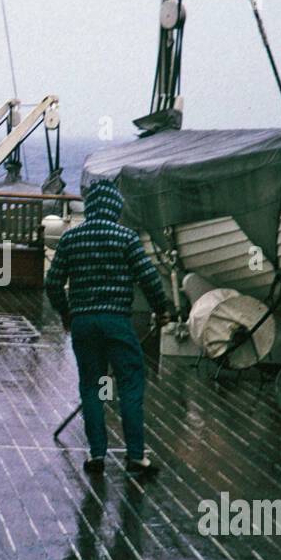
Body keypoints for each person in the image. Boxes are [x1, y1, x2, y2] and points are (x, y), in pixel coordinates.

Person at [45, 180, 172, 474]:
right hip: (117, 322)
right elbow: (149, 278)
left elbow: (53, 283)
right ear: (116, 207)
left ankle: (96, 455)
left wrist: (67, 313)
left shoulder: (71, 238)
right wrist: (161, 309)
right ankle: (136, 456)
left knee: (92, 386)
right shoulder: (125, 238)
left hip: (84, 323)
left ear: (89, 209)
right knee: (129, 383)